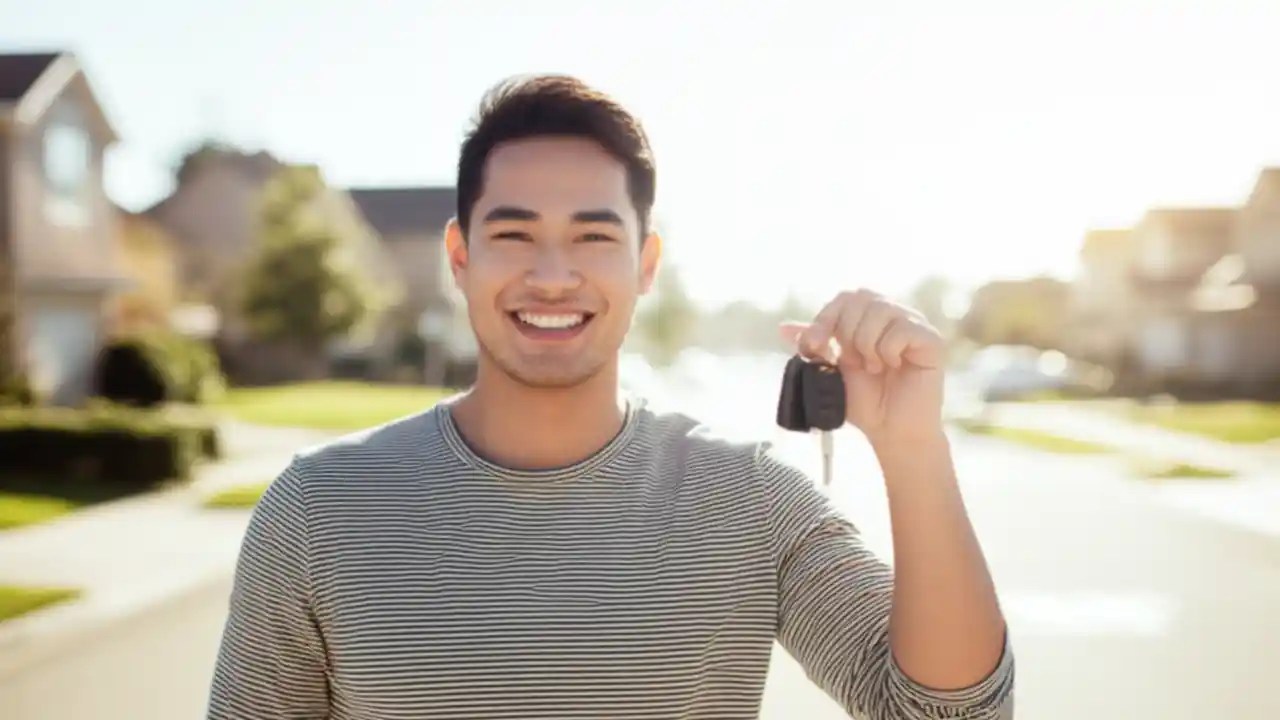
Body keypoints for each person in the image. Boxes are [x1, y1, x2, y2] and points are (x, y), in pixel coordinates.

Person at [206, 74, 1014, 719]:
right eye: (515, 234)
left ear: (646, 263)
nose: (553, 276)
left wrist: (913, 449)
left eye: (593, 237)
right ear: (460, 257)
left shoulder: (748, 499)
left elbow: (949, 714)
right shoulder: (319, 508)